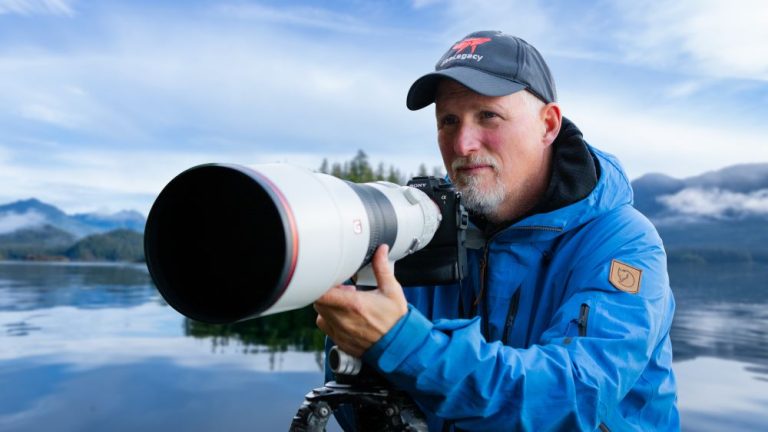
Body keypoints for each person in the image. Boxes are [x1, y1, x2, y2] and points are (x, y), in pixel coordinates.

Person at [314, 30, 679, 431]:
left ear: (548, 125)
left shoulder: (623, 242)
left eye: (488, 115)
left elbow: (573, 395)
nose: (463, 144)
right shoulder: (421, 231)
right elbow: (357, 412)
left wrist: (404, 343)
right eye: (448, 121)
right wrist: (357, 338)